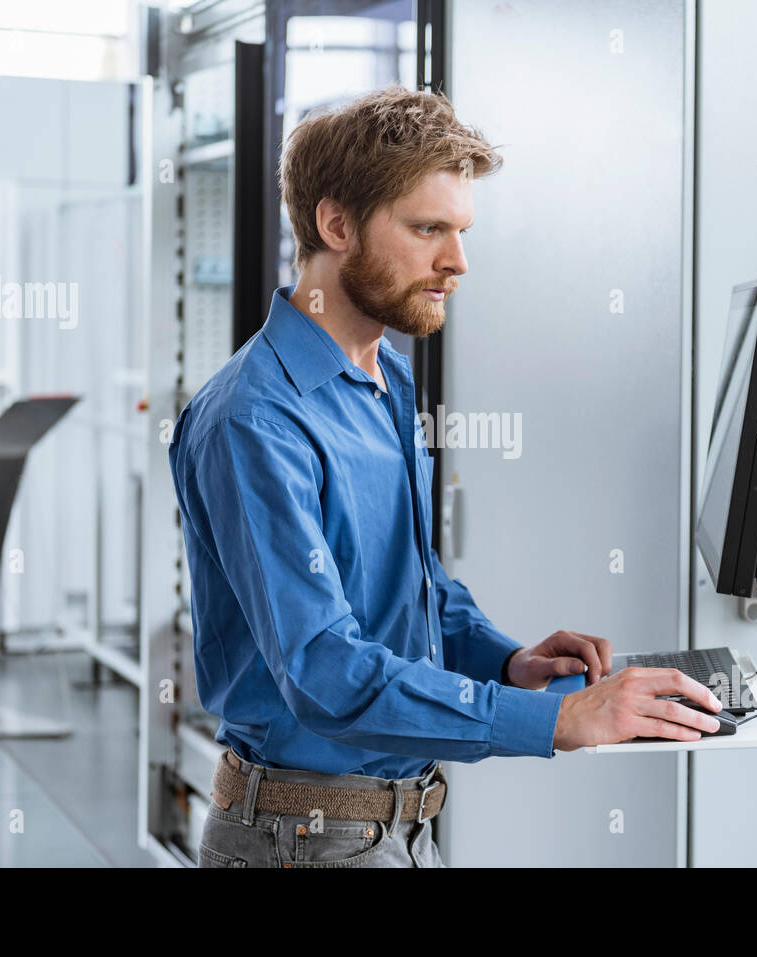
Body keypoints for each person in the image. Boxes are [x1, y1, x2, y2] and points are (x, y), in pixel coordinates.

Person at [168, 85, 720, 869]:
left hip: (395, 827)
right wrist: (556, 722)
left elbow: (416, 588)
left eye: (459, 232)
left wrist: (505, 659)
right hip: (299, 841)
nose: (457, 262)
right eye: (429, 229)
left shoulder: (385, 381)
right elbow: (325, 669)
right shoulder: (253, 420)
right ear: (336, 224)